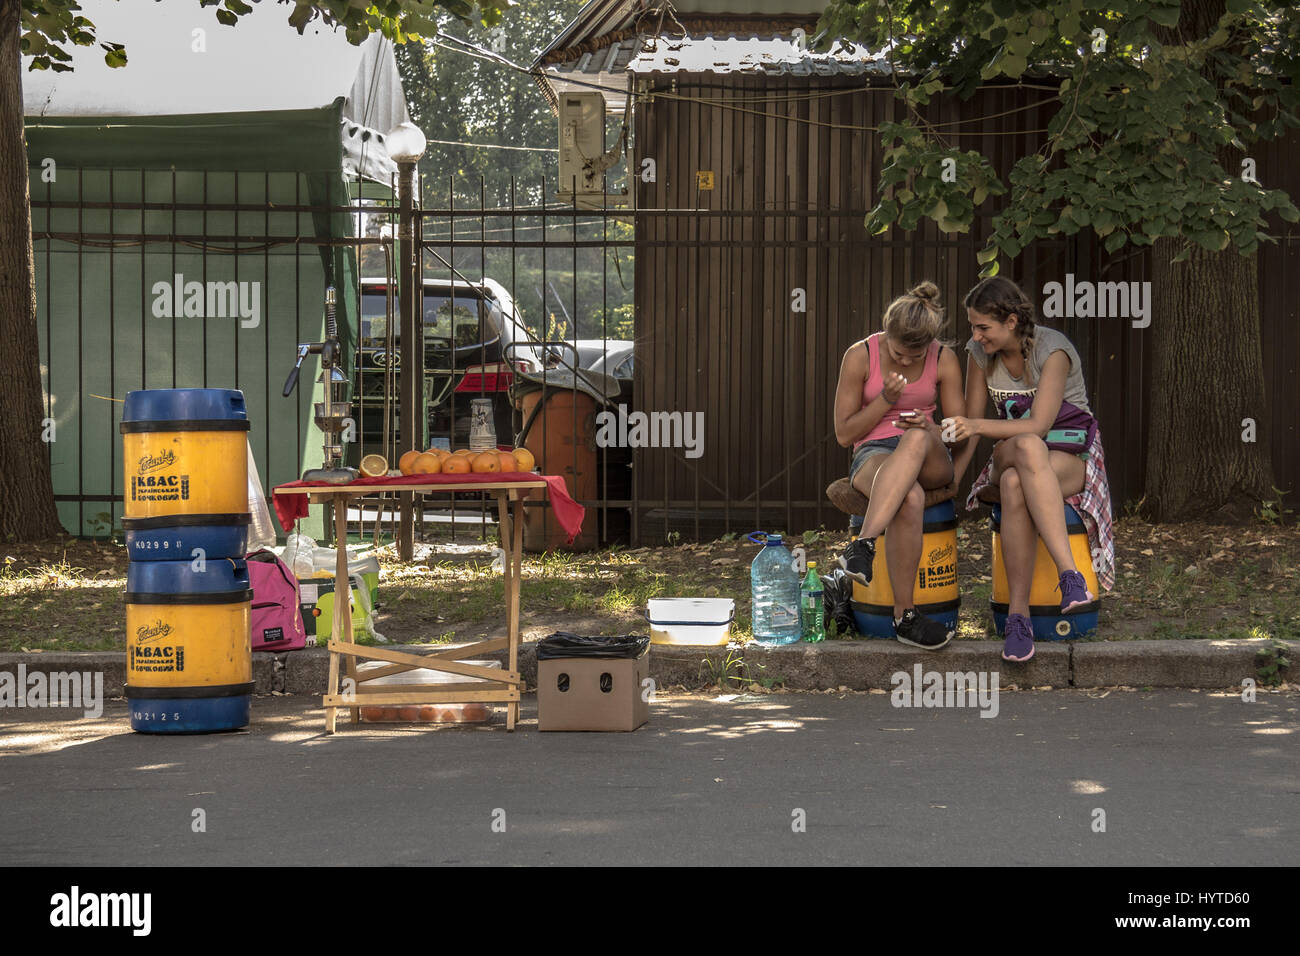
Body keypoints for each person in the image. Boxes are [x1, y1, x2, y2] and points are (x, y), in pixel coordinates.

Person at [946, 276, 1114, 663]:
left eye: (982, 327)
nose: (975, 335)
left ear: (1010, 321)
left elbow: (1039, 424)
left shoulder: (1053, 350)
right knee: (1022, 448)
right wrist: (956, 477)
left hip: (1069, 456)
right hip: (1009, 449)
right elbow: (972, 421)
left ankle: (1017, 620)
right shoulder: (978, 352)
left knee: (1014, 482)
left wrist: (977, 426)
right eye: (972, 326)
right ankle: (1070, 577)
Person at [832, 281, 966, 649]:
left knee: (917, 437)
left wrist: (930, 427)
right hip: (873, 453)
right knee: (909, 497)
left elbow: (960, 431)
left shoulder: (944, 359)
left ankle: (863, 545)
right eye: (899, 353)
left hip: (930, 454)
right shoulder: (860, 355)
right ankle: (905, 617)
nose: (906, 362)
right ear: (886, 333)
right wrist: (883, 402)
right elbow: (844, 434)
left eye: (915, 356)